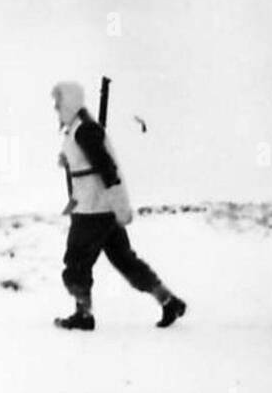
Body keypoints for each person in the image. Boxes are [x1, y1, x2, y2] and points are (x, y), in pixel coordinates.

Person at [51, 81, 186, 331]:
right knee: (125, 261)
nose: (56, 107)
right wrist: (68, 161)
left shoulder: (84, 130)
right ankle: (168, 301)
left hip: (92, 210)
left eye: (59, 102)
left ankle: (83, 314)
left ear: (68, 102)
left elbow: (107, 170)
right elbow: (90, 166)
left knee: (76, 262)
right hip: (99, 209)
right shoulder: (79, 130)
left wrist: (120, 205)